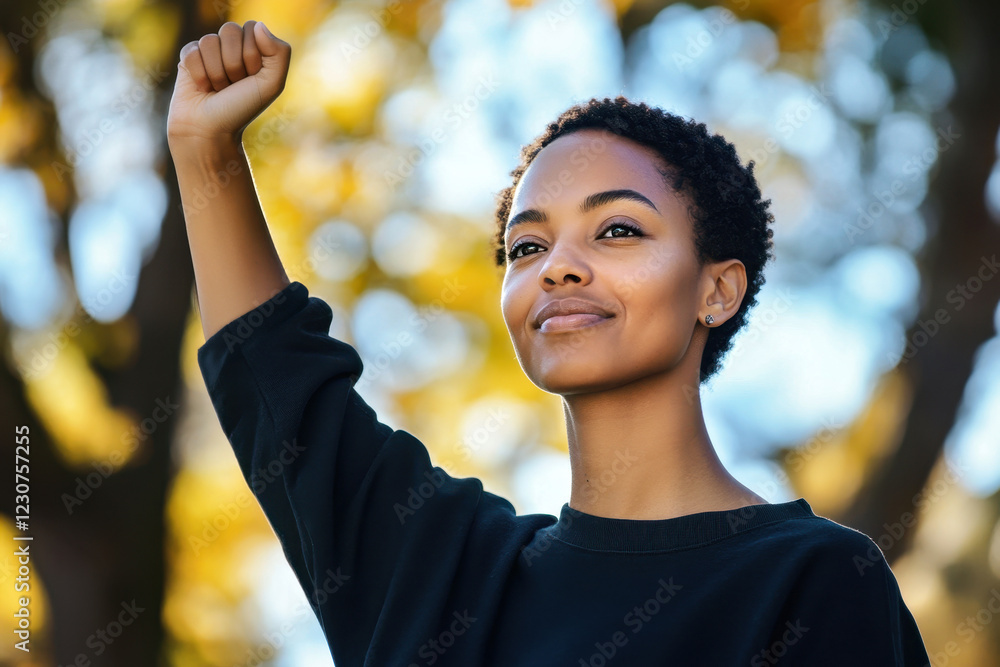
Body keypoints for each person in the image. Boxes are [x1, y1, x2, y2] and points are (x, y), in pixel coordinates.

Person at [168, 20, 932, 667]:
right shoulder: (446, 574)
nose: (558, 265)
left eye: (619, 229)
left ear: (717, 290)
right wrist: (205, 150)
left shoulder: (816, 579)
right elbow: (278, 390)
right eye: (527, 247)